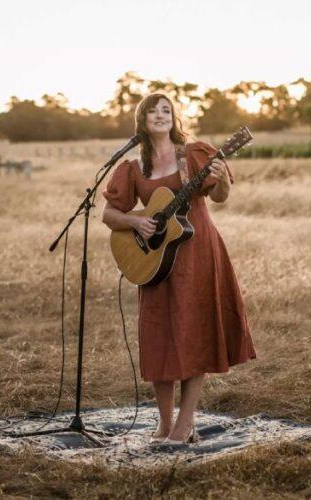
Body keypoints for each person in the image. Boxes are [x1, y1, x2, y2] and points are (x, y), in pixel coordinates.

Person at [101, 93, 256, 445]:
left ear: (174, 117)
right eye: (152, 111)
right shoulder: (133, 167)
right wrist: (135, 222)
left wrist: (222, 179)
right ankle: (164, 423)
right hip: (155, 259)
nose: (161, 115)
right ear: (141, 120)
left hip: (198, 253)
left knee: (194, 333)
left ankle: (185, 424)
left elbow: (219, 197)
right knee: (158, 336)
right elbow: (109, 214)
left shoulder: (194, 154)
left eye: (166, 110)